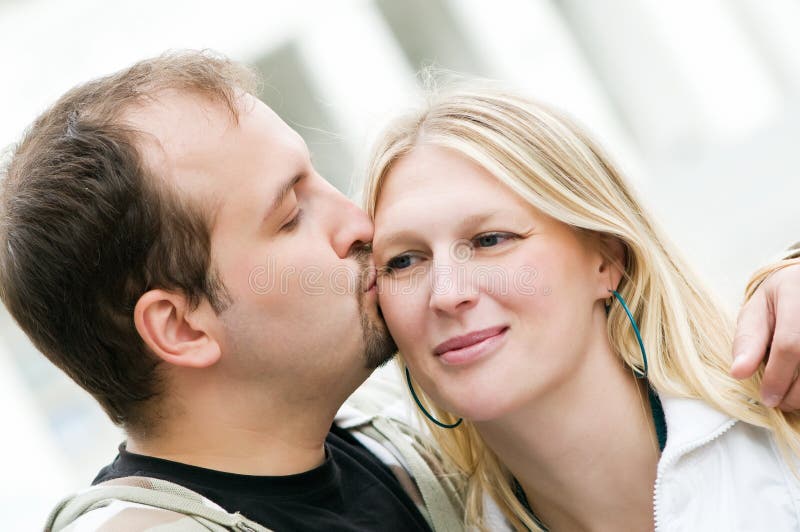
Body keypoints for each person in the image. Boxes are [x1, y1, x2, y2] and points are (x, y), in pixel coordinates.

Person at [0, 51, 796, 531]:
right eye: (290, 214)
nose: (358, 226)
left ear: (606, 258)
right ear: (180, 328)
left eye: (490, 241)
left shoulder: (408, 466)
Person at [365, 85, 800, 531]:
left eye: (490, 240)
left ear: (607, 259)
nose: (446, 293)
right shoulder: (414, 507)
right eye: (403, 261)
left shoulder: (784, 450)